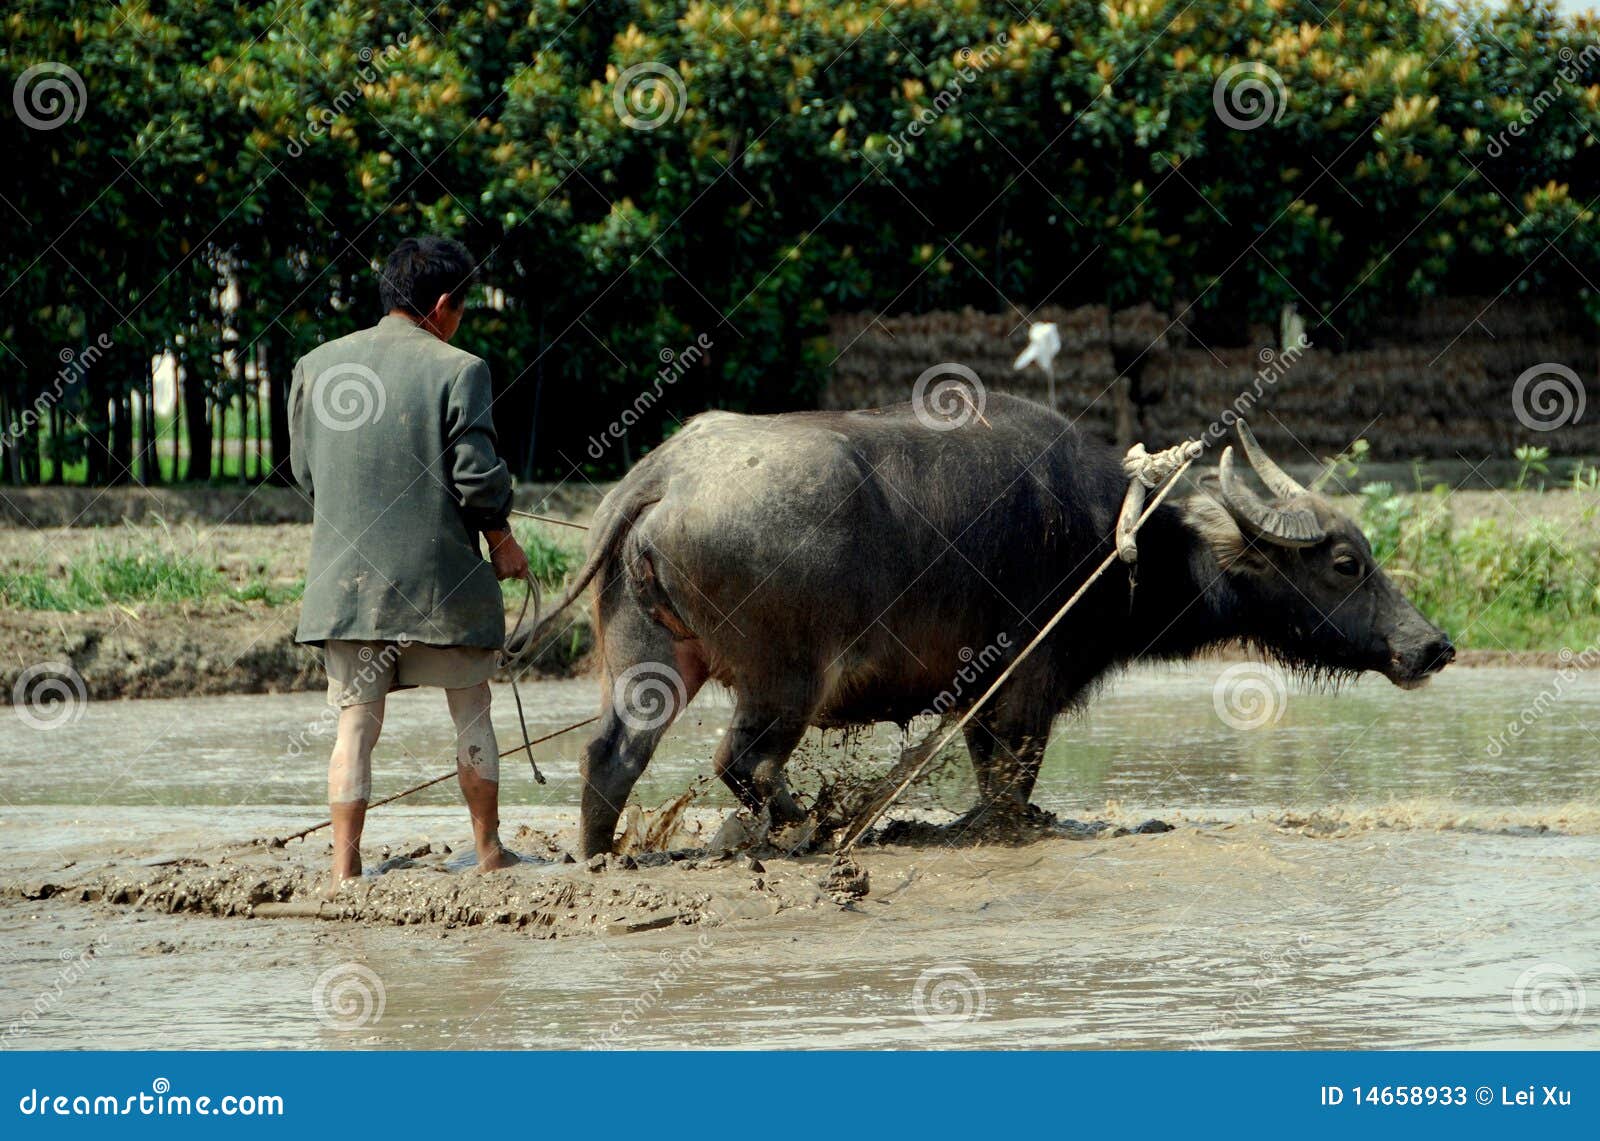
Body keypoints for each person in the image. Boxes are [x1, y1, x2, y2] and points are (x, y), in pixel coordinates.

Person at [289, 236, 531, 889]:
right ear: (444, 304)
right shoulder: (460, 369)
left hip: (347, 586)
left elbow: (307, 474)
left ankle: (344, 867)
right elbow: (478, 480)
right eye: (462, 309)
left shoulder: (316, 365)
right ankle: (487, 853)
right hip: (441, 584)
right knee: (473, 710)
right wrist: (503, 539)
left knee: (357, 724)